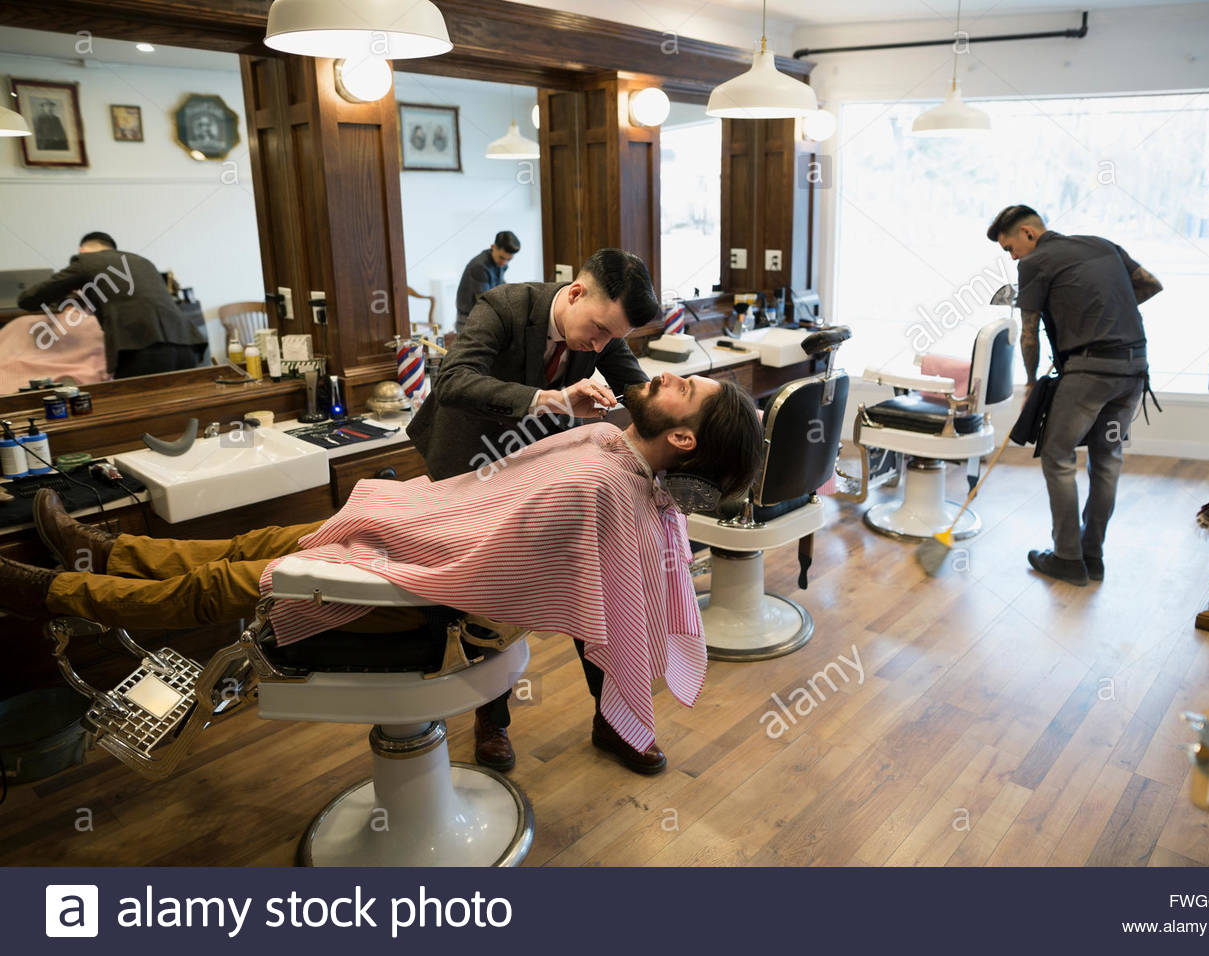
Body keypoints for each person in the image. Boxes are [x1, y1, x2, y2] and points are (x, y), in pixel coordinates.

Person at [0, 374, 763, 758]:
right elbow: (483, 505)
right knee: (252, 542)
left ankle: (61, 592)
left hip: (411, 587)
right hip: (409, 536)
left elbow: (487, 564)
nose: (667, 377)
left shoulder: (602, 483)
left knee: (231, 580)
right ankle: (102, 550)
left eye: (683, 389)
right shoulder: (606, 450)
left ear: (684, 439)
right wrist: (406, 518)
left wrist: (401, 536)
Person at [407, 247, 663, 772]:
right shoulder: (503, 305)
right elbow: (453, 381)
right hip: (470, 461)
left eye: (612, 338)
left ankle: (614, 719)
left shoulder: (602, 334)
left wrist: (702, 416)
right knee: (492, 592)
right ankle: (492, 719)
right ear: (574, 294)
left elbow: (636, 388)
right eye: (596, 331)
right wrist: (550, 399)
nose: (600, 346)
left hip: (543, 469)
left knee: (590, 578)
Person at [986, 205, 1163, 587]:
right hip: (1133, 371)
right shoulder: (1103, 244)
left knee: (1057, 455)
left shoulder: (1034, 263)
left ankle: (1067, 557)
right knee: (1108, 458)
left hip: (1089, 373)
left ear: (1029, 233)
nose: (1011, 256)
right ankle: (1092, 555)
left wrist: (1031, 382)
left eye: (1009, 247)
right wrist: (1105, 313)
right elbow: (1150, 285)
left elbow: (1029, 332)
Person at [17, 232, 207, 379]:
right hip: (186, 343)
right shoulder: (140, 261)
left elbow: (30, 299)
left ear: (81, 250)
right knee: (179, 418)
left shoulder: (85, 261)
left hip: (141, 347)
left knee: (139, 416)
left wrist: (69, 293)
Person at [454, 231, 520, 332]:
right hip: (469, 321)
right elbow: (485, 301)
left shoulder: (499, 263)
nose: (504, 263)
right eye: (502, 257)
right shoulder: (479, 266)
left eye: (509, 259)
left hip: (483, 316)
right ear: (493, 247)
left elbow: (502, 288)